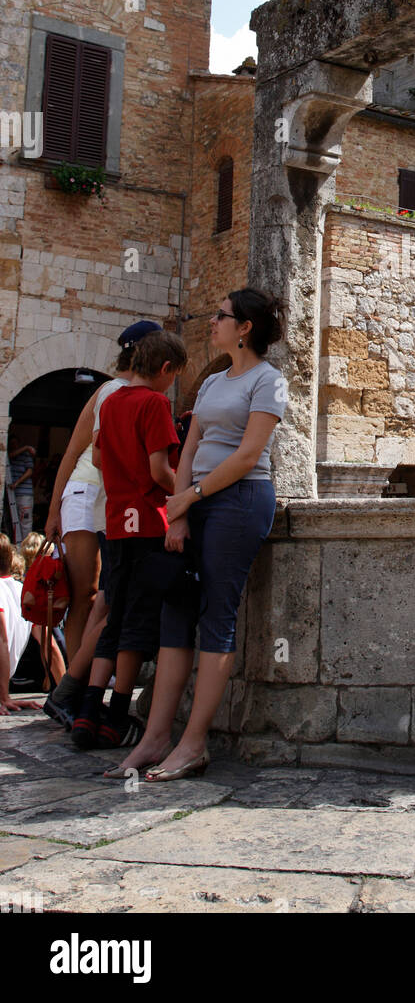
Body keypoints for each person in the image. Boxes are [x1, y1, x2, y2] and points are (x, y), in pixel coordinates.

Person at [115, 288, 285, 782]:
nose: (212, 322)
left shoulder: (268, 381)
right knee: (175, 610)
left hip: (240, 501)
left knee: (217, 614)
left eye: (221, 316)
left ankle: (193, 743)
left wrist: (190, 497)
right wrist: (182, 511)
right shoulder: (212, 383)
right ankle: (155, 736)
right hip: (196, 505)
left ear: (245, 327)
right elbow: (189, 445)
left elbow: (248, 455)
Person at [70, 331, 186, 752]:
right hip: (148, 523)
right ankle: (116, 716)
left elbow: (98, 458)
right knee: (138, 621)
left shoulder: (112, 399)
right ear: (165, 370)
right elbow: (159, 470)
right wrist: (185, 493)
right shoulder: (154, 403)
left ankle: (87, 709)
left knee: (114, 616)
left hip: (116, 522)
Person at [43, 321, 161, 664]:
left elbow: (71, 452)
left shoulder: (118, 391)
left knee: (96, 596)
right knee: (89, 595)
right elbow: (82, 454)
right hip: (89, 493)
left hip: (97, 497)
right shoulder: (116, 392)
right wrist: (53, 513)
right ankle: (74, 683)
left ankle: (82, 677)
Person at [0, 534, 63, 713]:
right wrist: (67, 692)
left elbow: (2, 642)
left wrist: (4, 697)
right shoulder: (23, 590)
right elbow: (49, 645)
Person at [6, 434, 36, 544]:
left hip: (24, 494)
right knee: (15, 522)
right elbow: (11, 455)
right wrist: (26, 447)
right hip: (13, 494)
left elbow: (30, 471)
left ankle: (26, 547)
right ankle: (17, 546)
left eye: (15, 443)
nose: (14, 445)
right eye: (12, 444)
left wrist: (16, 483)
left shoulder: (25, 455)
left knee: (25, 521)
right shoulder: (9, 456)